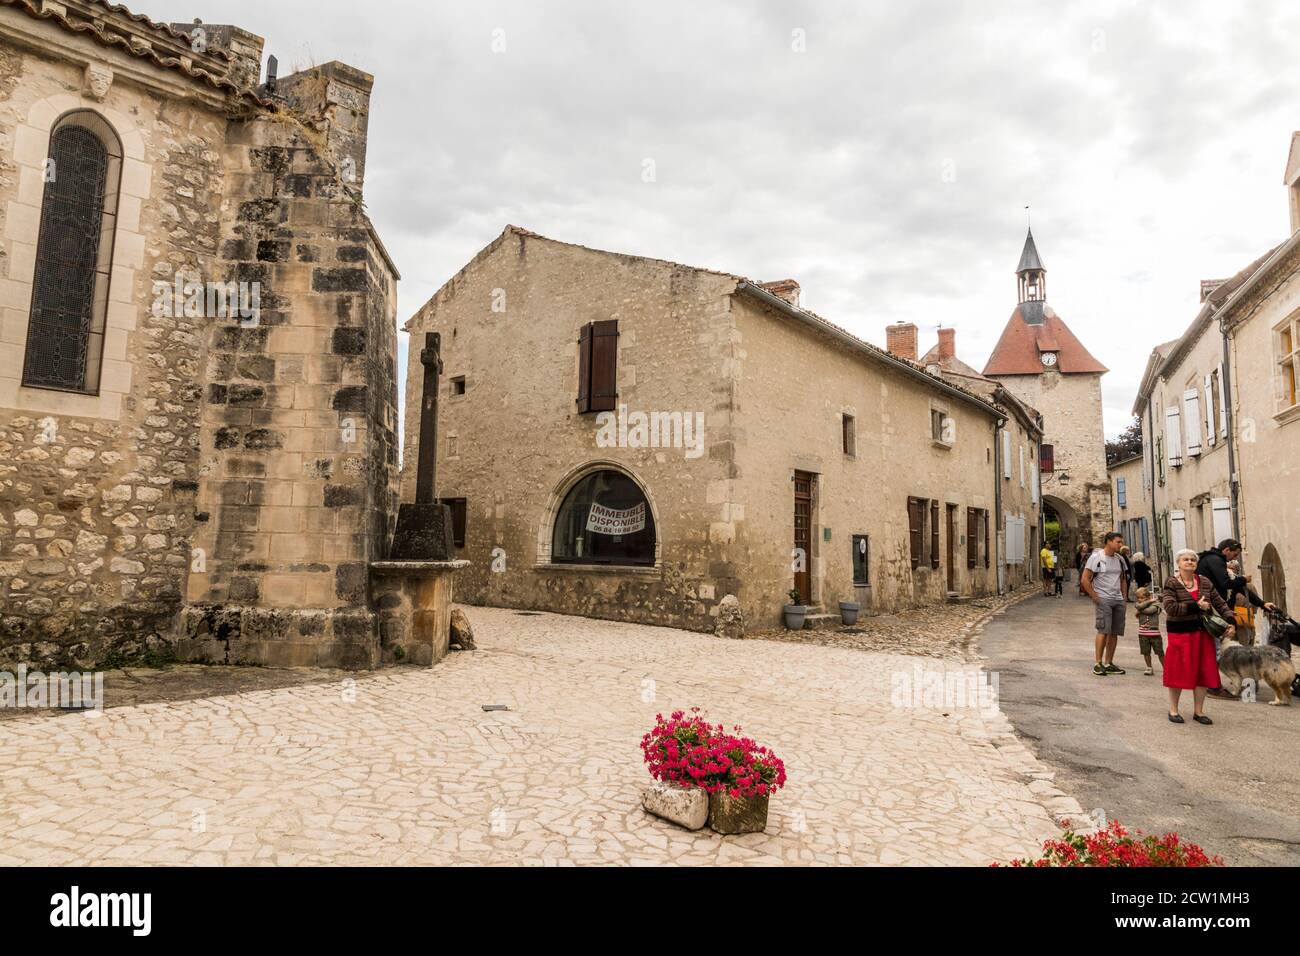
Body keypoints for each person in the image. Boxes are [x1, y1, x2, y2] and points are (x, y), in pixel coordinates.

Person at [1162, 548, 1235, 725]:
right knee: (1178, 671)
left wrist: (1231, 620)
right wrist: (1196, 606)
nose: (1189, 562)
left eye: (1192, 560)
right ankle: (1173, 710)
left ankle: (1199, 711)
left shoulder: (1204, 581)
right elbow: (1170, 608)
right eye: (1185, 559)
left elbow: (1219, 602)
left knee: (1204, 671)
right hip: (1180, 634)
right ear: (1178, 563)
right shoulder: (1171, 583)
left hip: (1203, 634)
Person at [1197, 539, 1274, 698]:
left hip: (1227, 615)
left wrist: (1262, 603)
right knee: (1216, 649)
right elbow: (1226, 584)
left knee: (1224, 650)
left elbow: (1239, 588)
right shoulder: (1214, 560)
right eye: (1235, 554)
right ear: (1226, 550)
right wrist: (1244, 579)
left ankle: (1241, 686)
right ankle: (1214, 686)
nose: (1234, 558)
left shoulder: (1216, 561)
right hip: (1215, 614)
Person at [1082, 532, 1129, 676]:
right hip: (1104, 599)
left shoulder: (1120, 559)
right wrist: (1095, 597)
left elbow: (1122, 579)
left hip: (1117, 599)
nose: (1121, 545)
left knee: (1114, 632)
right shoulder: (1096, 558)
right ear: (1108, 542)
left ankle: (1109, 663)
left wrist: (1124, 598)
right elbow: (1085, 579)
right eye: (1118, 542)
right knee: (1103, 630)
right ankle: (1098, 663)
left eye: (1121, 542)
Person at [1135, 586, 1164, 676]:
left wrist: (1143, 606)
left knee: (1160, 652)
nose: (1140, 600)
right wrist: (1148, 602)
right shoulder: (1140, 604)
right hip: (1143, 634)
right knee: (1145, 652)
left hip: (1154, 633)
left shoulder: (1155, 605)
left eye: (1142, 598)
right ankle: (1149, 667)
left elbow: (1149, 611)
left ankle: (1166, 668)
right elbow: (1138, 606)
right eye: (1138, 598)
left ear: (1148, 596)